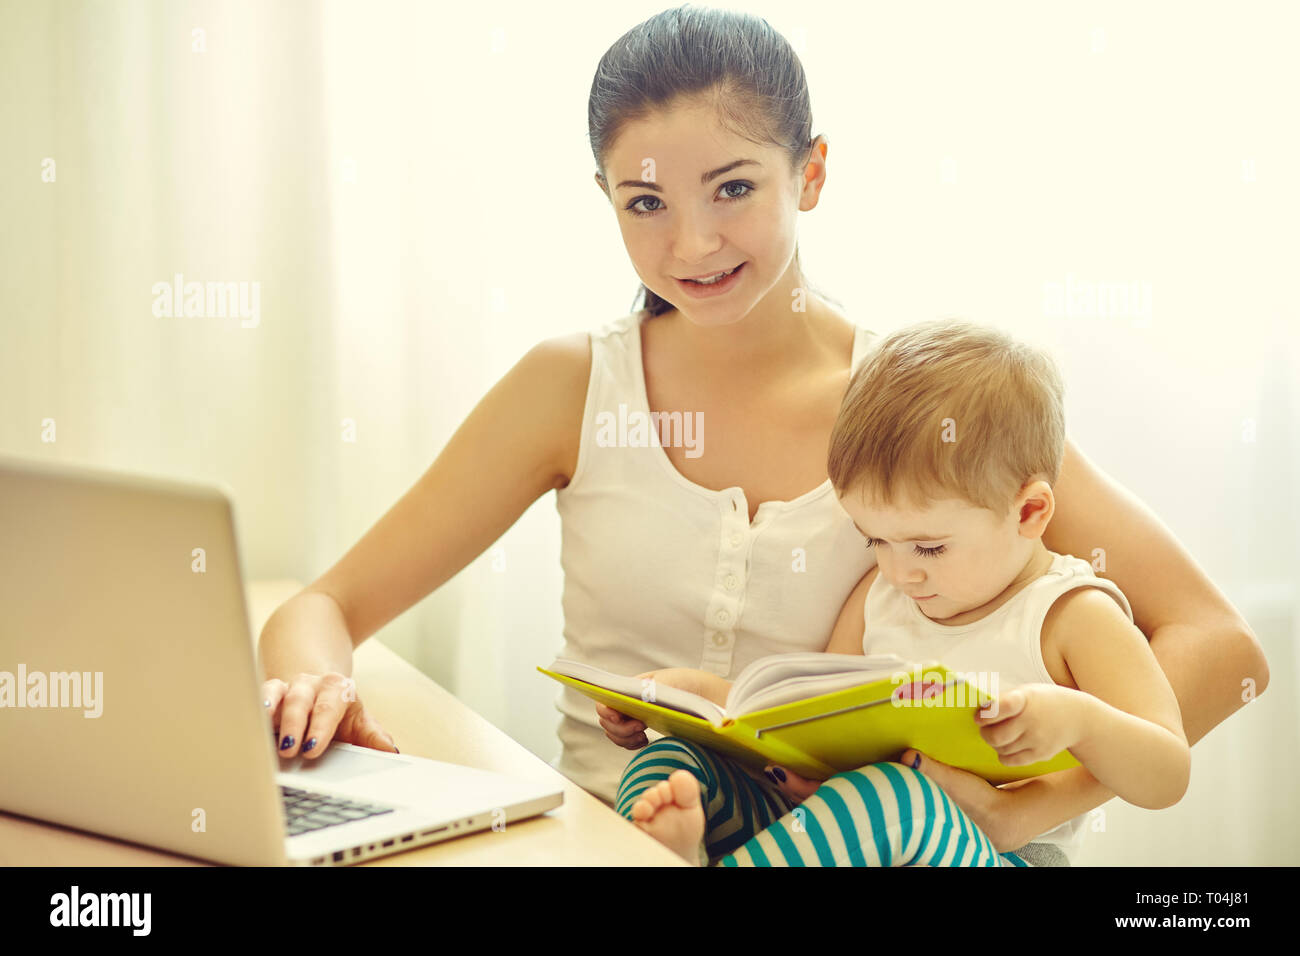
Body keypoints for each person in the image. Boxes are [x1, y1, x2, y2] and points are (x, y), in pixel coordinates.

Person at [257, 6, 1266, 862]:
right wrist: (315, 684)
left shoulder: (917, 410)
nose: (690, 244)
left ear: (811, 172)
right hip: (614, 835)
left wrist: (1031, 801)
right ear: (605, 198)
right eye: (644, 202)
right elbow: (328, 603)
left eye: (732, 188)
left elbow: (1218, 644)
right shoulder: (570, 384)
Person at [610, 320, 1192, 866]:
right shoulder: (881, 595)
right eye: (875, 541)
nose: (899, 571)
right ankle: (674, 852)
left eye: (929, 548)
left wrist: (1083, 722)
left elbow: (1168, 771)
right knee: (676, 768)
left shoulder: (1072, 614)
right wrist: (690, 697)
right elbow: (802, 714)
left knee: (895, 794)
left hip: (1003, 853)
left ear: (1030, 511)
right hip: (859, 829)